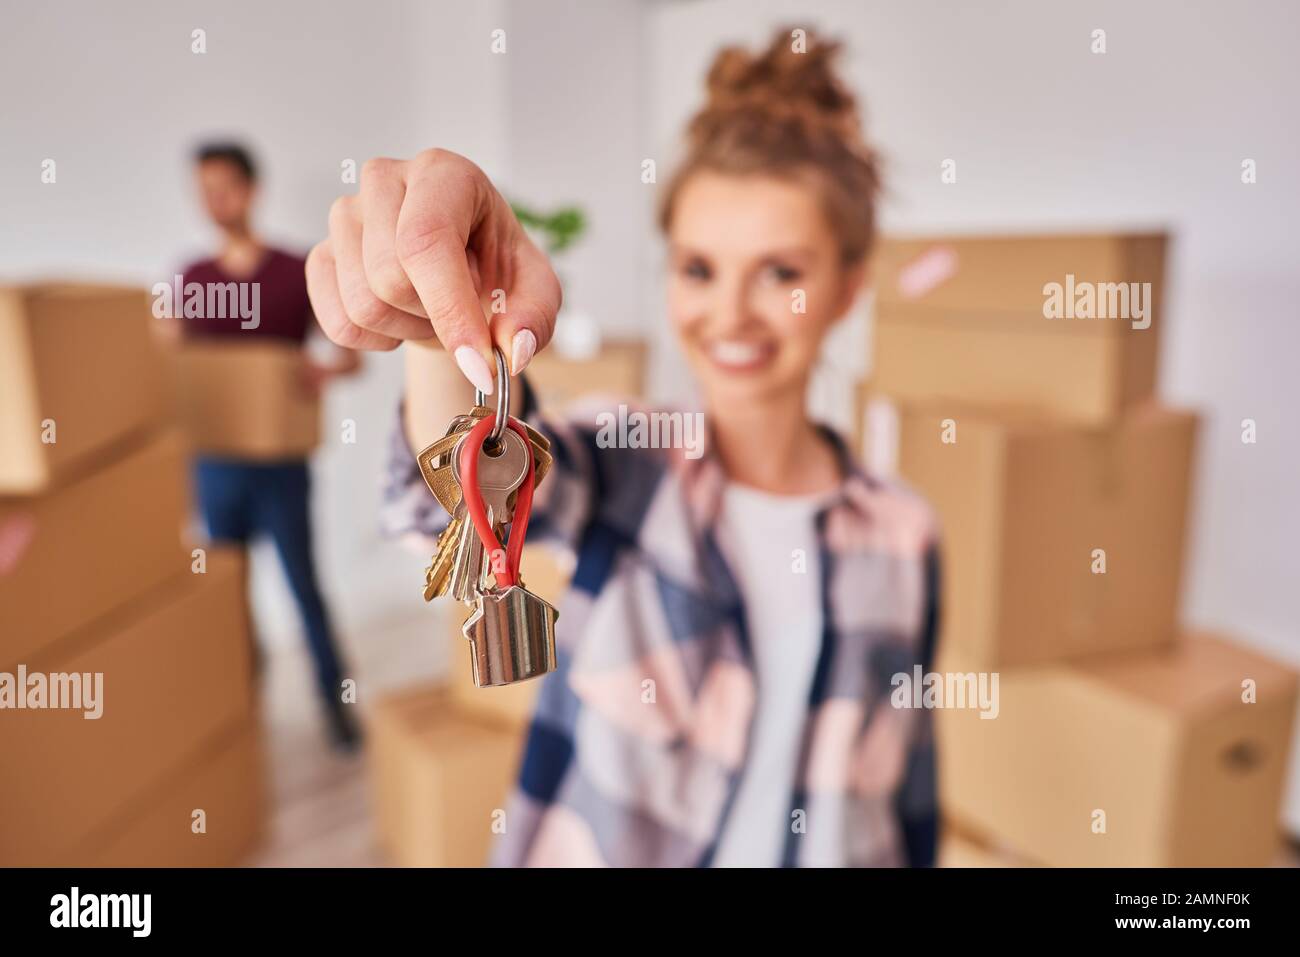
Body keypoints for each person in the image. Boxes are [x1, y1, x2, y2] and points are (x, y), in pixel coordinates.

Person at [307, 30, 940, 864]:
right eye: (699, 268)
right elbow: (451, 502)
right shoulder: (628, 460)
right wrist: (444, 325)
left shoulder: (905, 531)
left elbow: (910, 790)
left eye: (781, 272)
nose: (731, 313)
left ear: (849, 286)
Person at [178, 142, 362, 751]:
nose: (214, 201)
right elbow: (173, 368)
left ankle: (337, 710)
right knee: (225, 593)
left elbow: (350, 356)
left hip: (283, 464)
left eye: (224, 187)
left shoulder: (294, 270)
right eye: (204, 190)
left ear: (252, 190)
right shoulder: (193, 279)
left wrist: (320, 374)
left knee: (304, 587)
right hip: (217, 466)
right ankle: (238, 709)